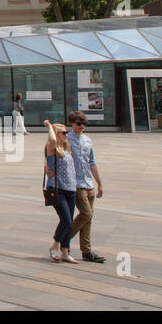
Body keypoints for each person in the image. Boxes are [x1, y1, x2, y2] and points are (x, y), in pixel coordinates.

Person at [65, 110, 106, 263]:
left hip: (88, 184)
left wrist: (99, 183)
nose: (82, 127)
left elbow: (92, 162)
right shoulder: (67, 139)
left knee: (88, 219)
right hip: (76, 184)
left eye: (84, 124)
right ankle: (63, 240)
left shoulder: (88, 140)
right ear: (72, 123)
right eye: (79, 124)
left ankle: (86, 251)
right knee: (86, 214)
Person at [43, 119, 78, 262]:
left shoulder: (66, 150)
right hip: (58, 189)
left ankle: (65, 252)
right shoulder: (52, 149)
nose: (66, 135)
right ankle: (55, 245)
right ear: (56, 134)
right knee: (66, 219)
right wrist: (49, 126)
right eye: (63, 132)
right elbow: (51, 139)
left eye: (66, 132)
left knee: (69, 223)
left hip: (71, 189)